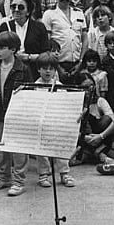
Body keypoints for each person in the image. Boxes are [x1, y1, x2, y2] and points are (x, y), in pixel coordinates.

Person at [0, 31, 32, 197]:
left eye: (2, 47)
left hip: (17, 115)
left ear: (13, 49)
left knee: (19, 150)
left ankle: (19, 181)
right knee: (0, 148)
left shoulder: (23, 69)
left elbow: (29, 92)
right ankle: (4, 177)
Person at [34, 52, 76, 188]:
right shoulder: (35, 86)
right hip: (42, 124)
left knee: (60, 147)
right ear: (38, 69)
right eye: (44, 68)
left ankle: (64, 173)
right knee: (41, 150)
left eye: (51, 68)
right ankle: (44, 174)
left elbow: (65, 105)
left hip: (57, 122)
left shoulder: (59, 85)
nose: (47, 71)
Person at [42, 0, 88, 85]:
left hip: (77, 64)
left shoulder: (79, 13)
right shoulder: (49, 14)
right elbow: (47, 42)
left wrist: (81, 62)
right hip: (58, 64)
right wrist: (57, 67)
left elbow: (85, 39)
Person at [0, 0, 49, 76]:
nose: (16, 10)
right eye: (13, 7)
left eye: (21, 7)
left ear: (28, 11)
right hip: (9, 71)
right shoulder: (4, 26)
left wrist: (28, 57)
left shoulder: (39, 27)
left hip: (33, 71)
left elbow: (46, 55)